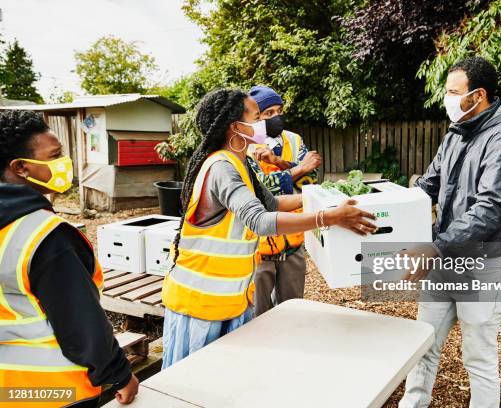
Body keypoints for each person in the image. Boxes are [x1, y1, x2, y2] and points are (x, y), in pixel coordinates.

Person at [161, 89, 376, 368]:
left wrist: (324, 197)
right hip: (199, 306)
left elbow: (273, 203)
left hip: (227, 302)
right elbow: (260, 220)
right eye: (256, 116)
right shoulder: (221, 168)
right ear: (236, 127)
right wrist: (328, 217)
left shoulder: (239, 164)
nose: (264, 123)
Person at [399, 57, 501, 408]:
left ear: (478, 95)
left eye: (454, 93)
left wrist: (437, 247)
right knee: (421, 348)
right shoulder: (457, 132)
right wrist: (386, 206)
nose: (447, 99)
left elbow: (490, 208)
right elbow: (428, 184)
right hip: (444, 263)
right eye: (447, 92)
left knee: (478, 358)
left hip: (484, 266)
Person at [0, 110, 139, 407]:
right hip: (52, 389)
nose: (65, 163)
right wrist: (120, 374)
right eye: (55, 155)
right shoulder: (45, 235)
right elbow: (81, 323)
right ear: (21, 167)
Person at [246, 85, 320, 316]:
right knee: (257, 317)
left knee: (293, 312)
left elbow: (310, 179)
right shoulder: (245, 146)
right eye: (269, 113)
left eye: (279, 110)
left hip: (293, 243)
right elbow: (262, 189)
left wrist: (280, 163)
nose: (277, 117)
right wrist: (300, 168)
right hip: (260, 248)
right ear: (256, 119)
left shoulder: (294, 140)